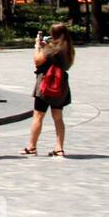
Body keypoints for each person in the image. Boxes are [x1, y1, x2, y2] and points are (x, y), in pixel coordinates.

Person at [24, 22, 75, 157]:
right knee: (58, 117)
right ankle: (59, 148)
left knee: (38, 115)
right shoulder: (68, 48)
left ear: (54, 34)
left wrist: (37, 47)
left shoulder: (53, 48)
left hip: (46, 85)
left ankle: (32, 146)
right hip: (61, 85)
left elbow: (37, 60)